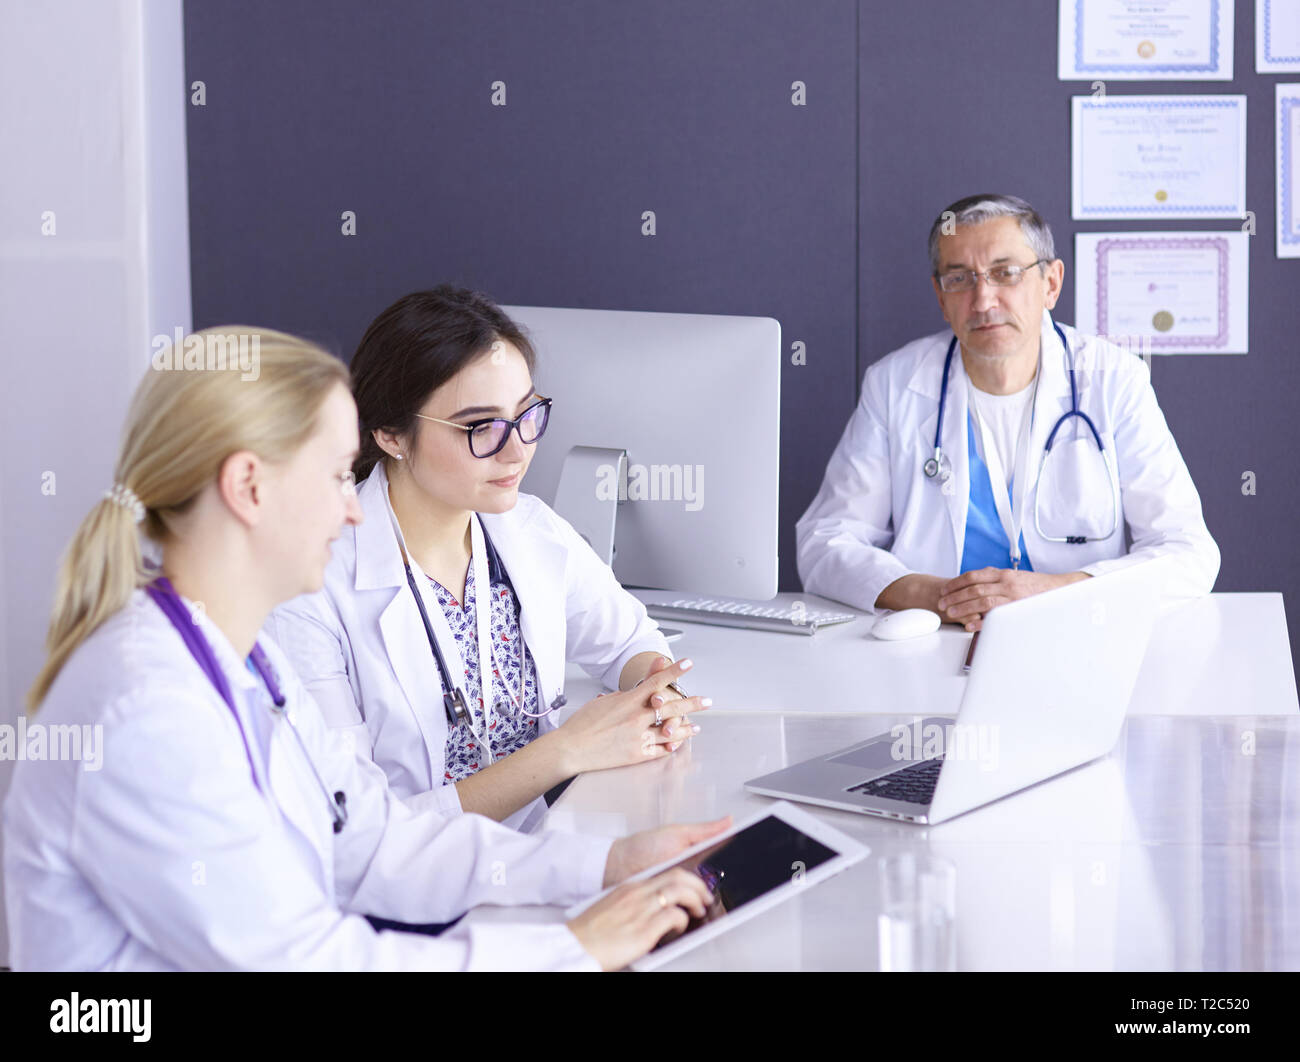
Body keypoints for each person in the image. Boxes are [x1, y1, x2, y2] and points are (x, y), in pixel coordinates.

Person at [3, 327, 726, 971]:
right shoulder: (146, 709)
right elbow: (301, 960)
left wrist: (605, 864)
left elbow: (372, 841)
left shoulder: (243, 658)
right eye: (332, 475)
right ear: (249, 488)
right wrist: (570, 950)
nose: (354, 507)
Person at [268, 288, 704, 833]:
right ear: (390, 434)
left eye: (527, 416)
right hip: (413, 897)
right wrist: (567, 751)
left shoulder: (530, 529)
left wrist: (656, 691)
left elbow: (628, 642)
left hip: (537, 857)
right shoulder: (308, 587)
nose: (518, 450)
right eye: (482, 428)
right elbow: (355, 828)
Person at [797, 194, 1219, 629]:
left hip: (1077, 634)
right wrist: (938, 595)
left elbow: (1189, 551)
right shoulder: (894, 384)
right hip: (936, 637)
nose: (983, 300)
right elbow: (825, 543)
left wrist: (1056, 591)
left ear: (1050, 284)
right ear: (941, 298)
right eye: (959, 279)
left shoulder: (1113, 379)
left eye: (1006, 273)